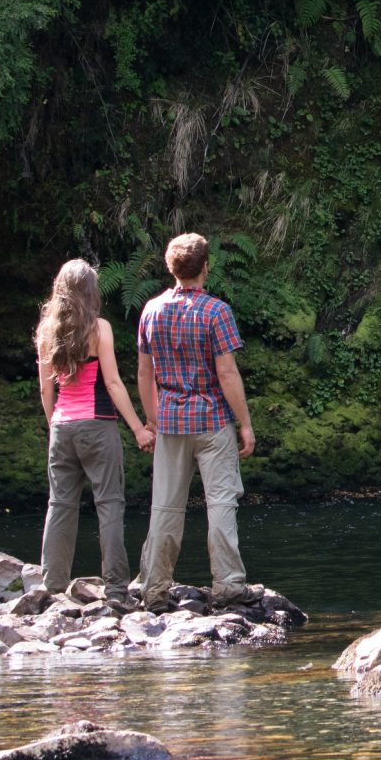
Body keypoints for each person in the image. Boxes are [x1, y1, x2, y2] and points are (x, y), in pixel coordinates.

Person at [135, 231, 254, 599]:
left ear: (172, 269)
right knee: (220, 503)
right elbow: (227, 373)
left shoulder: (151, 310)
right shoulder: (217, 311)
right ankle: (229, 585)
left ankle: (154, 588)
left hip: (170, 422)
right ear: (205, 267)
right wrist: (245, 424)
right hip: (212, 420)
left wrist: (152, 419)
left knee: (166, 506)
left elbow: (144, 373)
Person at [34, 259, 153, 595]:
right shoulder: (99, 329)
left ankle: (53, 586)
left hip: (62, 427)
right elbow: (113, 384)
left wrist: (55, 426)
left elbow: (46, 390)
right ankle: (116, 589)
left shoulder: (46, 331)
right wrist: (139, 430)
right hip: (98, 426)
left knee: (59, 506)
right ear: (91, 291)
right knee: (110, 503)